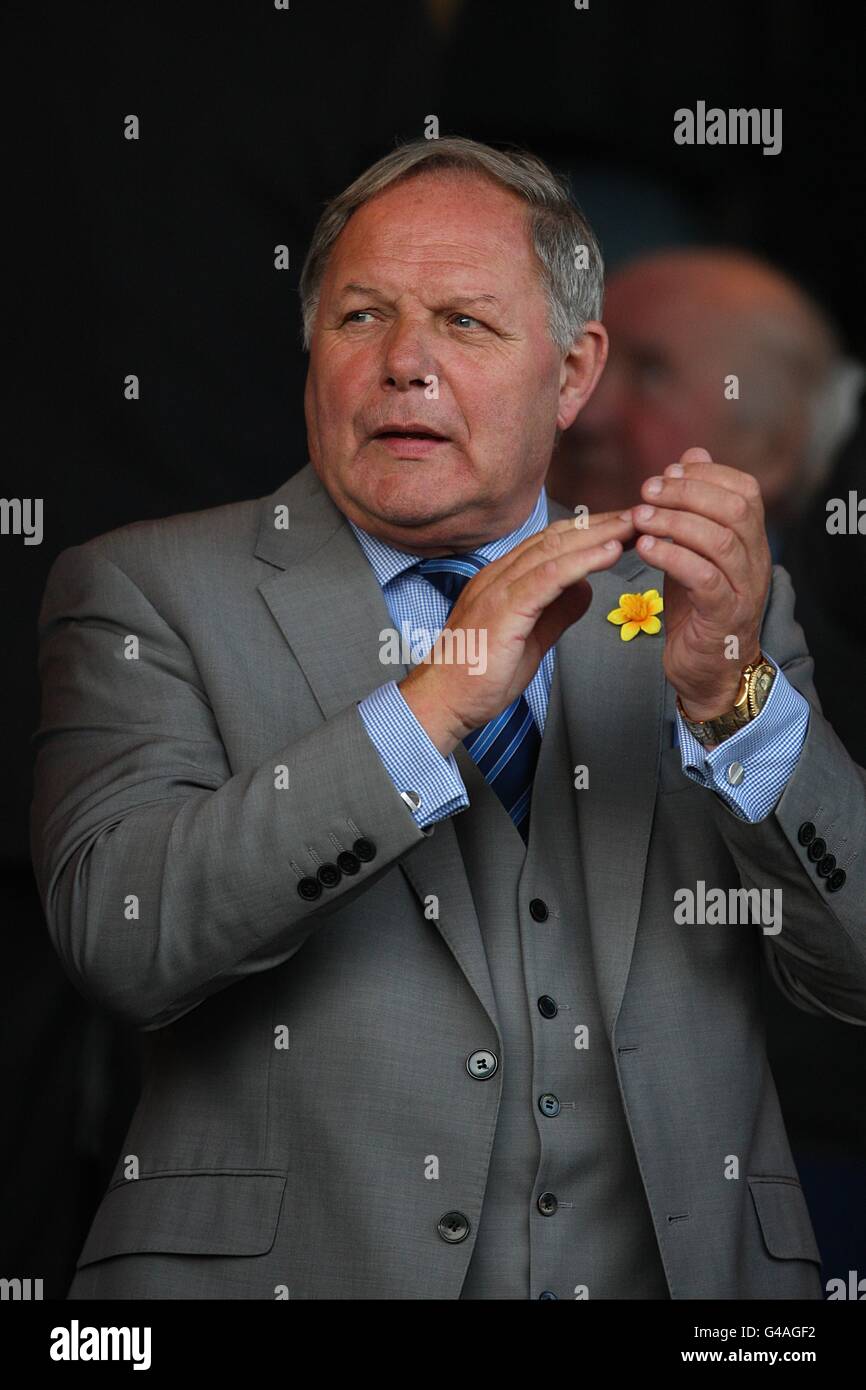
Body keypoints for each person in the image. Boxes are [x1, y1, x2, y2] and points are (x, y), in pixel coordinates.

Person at [30, 136, 866, 1300]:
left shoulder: (707, 605)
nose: (403, 363)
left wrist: (733, 699)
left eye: (464, 323)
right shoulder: (144, 588)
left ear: (571, 374)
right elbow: (120, 938)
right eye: (361, 317)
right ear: (310, 349)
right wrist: (428, 707)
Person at [546, 247, 864, 560]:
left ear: (768, 450)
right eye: (581, 357)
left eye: (651, 375)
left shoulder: (794, 609)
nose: (588, 414)